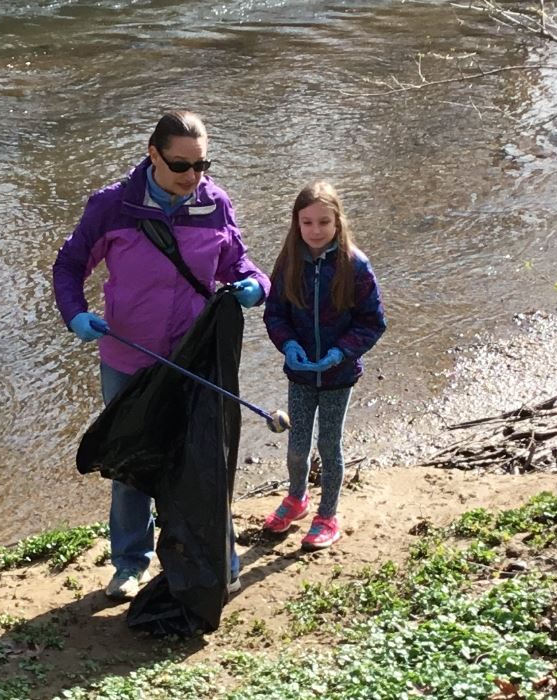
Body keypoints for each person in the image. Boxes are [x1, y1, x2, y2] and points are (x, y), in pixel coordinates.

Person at [52, 110, 270, 600]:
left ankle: (210, 559)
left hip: (194, 360)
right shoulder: (113, 206)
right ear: (153, 155)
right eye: (181, 165)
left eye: (202, 165)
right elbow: (69, 265)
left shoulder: (214, 203)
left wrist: (257, 286)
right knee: (132, 464)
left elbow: (238, 263)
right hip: (128, 360)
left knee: (202, 462)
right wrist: (75, 315)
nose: (193, 176)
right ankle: (130, 564)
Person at [260, 181, 387, 550]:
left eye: (323, 222)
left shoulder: (355, 265)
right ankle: (296, 498)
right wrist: (288, 345)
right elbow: (275, 315)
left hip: (339, 376)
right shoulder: (288, 262)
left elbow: (372, 322)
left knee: (330, 446)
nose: (315, 230)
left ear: (338, 222)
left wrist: (341, 353)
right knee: (296, 445)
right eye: (307, 222)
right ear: (296, 223)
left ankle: (328, 515)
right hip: (300, 375)